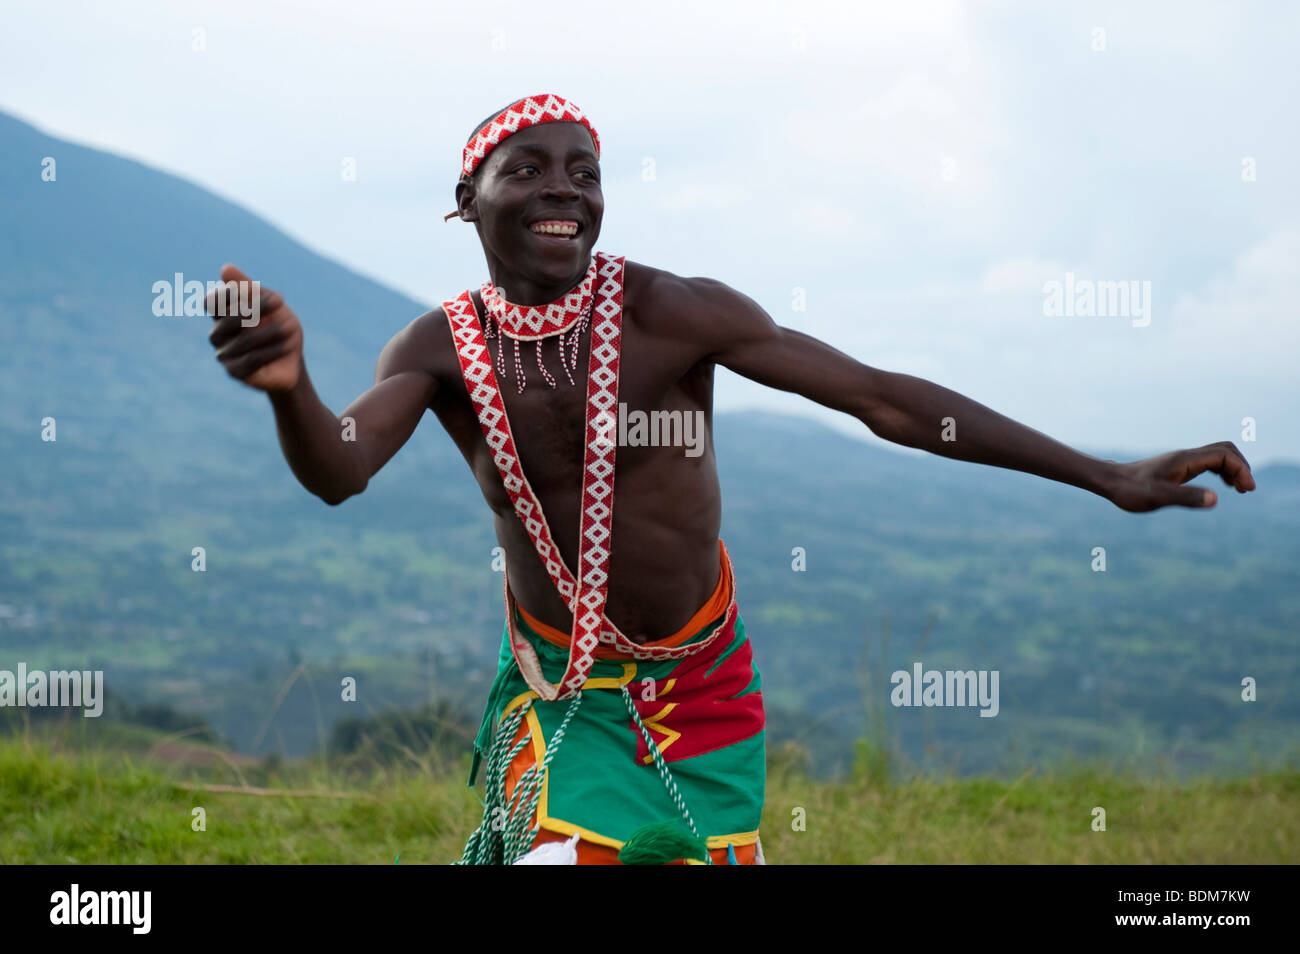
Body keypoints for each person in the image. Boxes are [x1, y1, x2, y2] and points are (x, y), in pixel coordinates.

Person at [206, 93, 1257, 865]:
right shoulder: (438, 351)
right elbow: (340, 469)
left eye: (584, 168)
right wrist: (289, 389)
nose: (563, 185)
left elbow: (883, 399)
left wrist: (1101, 475)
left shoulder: (676, 313)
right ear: (466, 201)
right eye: (526, 168)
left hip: (699, 681)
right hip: (557, 686)